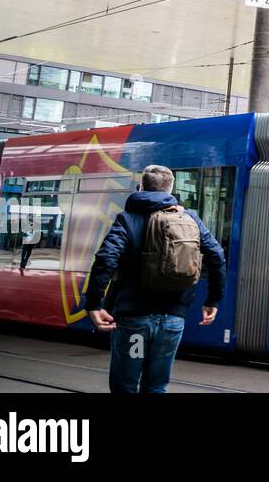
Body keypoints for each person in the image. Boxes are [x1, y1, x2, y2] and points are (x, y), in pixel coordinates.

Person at [85, 164, 226, 393]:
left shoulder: (127, 219)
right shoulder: (190, 219)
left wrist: (94, 303)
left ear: (141, 187)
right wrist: (213, 300)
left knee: (125, 387)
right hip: (172, 320)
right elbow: (217, 256)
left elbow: (106, 258)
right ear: (170, 190)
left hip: (133, 319)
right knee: (156, 386)